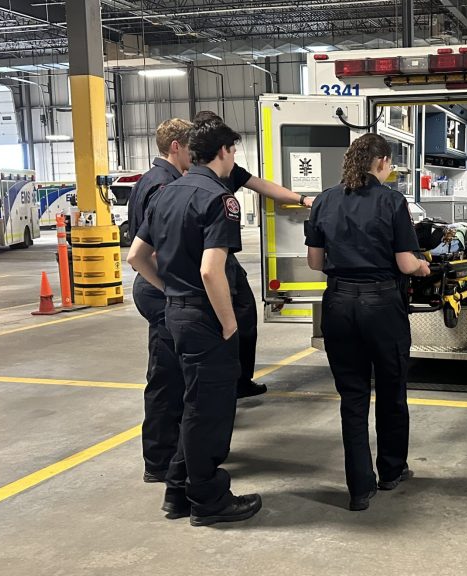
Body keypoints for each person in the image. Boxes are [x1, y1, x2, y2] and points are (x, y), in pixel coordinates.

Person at [128, 119, 262, 526]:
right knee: (213, 411)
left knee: (193, 404)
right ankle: (208, 500)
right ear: (223, 151)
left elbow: (135, 256)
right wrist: (227, 323)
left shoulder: (167, 193)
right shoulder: (220, 199)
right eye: (234, 150)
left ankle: (178, 491)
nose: (234, 156)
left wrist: (169, 290)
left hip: (176, 313)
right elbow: (211, 271)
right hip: (204, 317)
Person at [305, 133, 430, 512]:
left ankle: (360, 488)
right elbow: (407, 264)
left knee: (353, 397)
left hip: (339, 305)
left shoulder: (324, 200)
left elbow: (314, 262)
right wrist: (423, 266)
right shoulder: (392, 201)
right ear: (381, 163)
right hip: (381, 305)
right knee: (391, 389)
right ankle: (391, 471)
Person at [192, 111, 315, 400]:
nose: (233, 154)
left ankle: (238, 380)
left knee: (244, 314)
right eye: (231, 149)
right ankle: (223, 386)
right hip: (207, 259)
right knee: (224, 322)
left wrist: (301, 198)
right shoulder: (200, 178)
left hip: (222, 257)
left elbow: (261, 185)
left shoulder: (227, 172)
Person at [127, 118, 193, 485]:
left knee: (169, 377)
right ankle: (160, 460)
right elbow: (148, 249)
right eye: (189, 147)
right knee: (167, 380)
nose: (192, 154)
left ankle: (167, 455)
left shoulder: (150, 179)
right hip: (158, 289)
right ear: (175, 147)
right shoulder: (165, 185)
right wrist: (170, 288)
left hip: (154, 286)